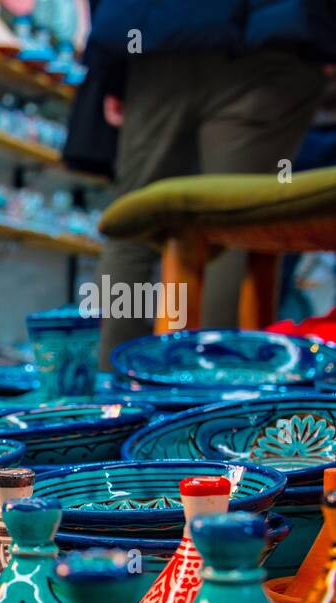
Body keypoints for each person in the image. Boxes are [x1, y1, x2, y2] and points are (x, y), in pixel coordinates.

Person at [77, 0, 336, 368]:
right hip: (269, 36)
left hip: (154, 34)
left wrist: (111, 69)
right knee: (232, 228)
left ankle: (109, 392)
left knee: (130, 228)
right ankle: (212, 402)